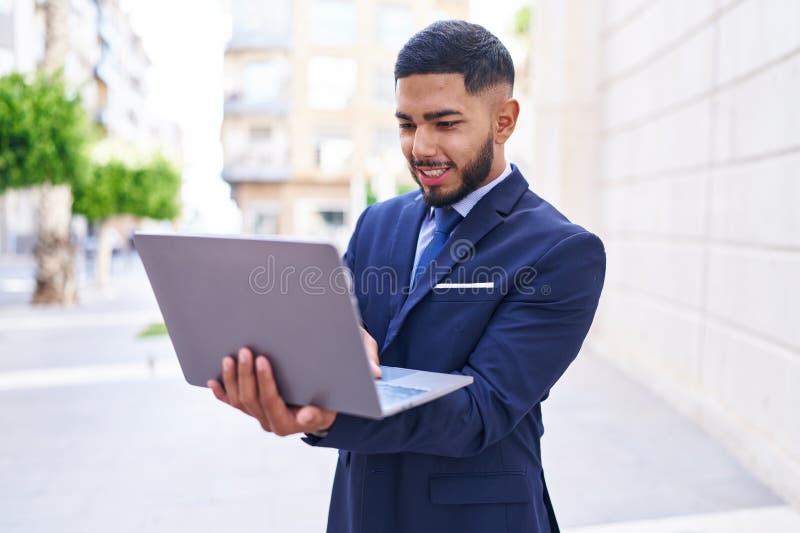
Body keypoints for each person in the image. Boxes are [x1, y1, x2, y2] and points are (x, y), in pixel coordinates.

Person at [208, 20, 606, 533]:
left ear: (504, 121)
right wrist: (319, 356)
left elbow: (481, 410)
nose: (420, 147)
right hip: (359, 512)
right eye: (406, 124)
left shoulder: (562, 251)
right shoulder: (377, 222)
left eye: (444, 123)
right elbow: (339, 331)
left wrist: (335, 417)